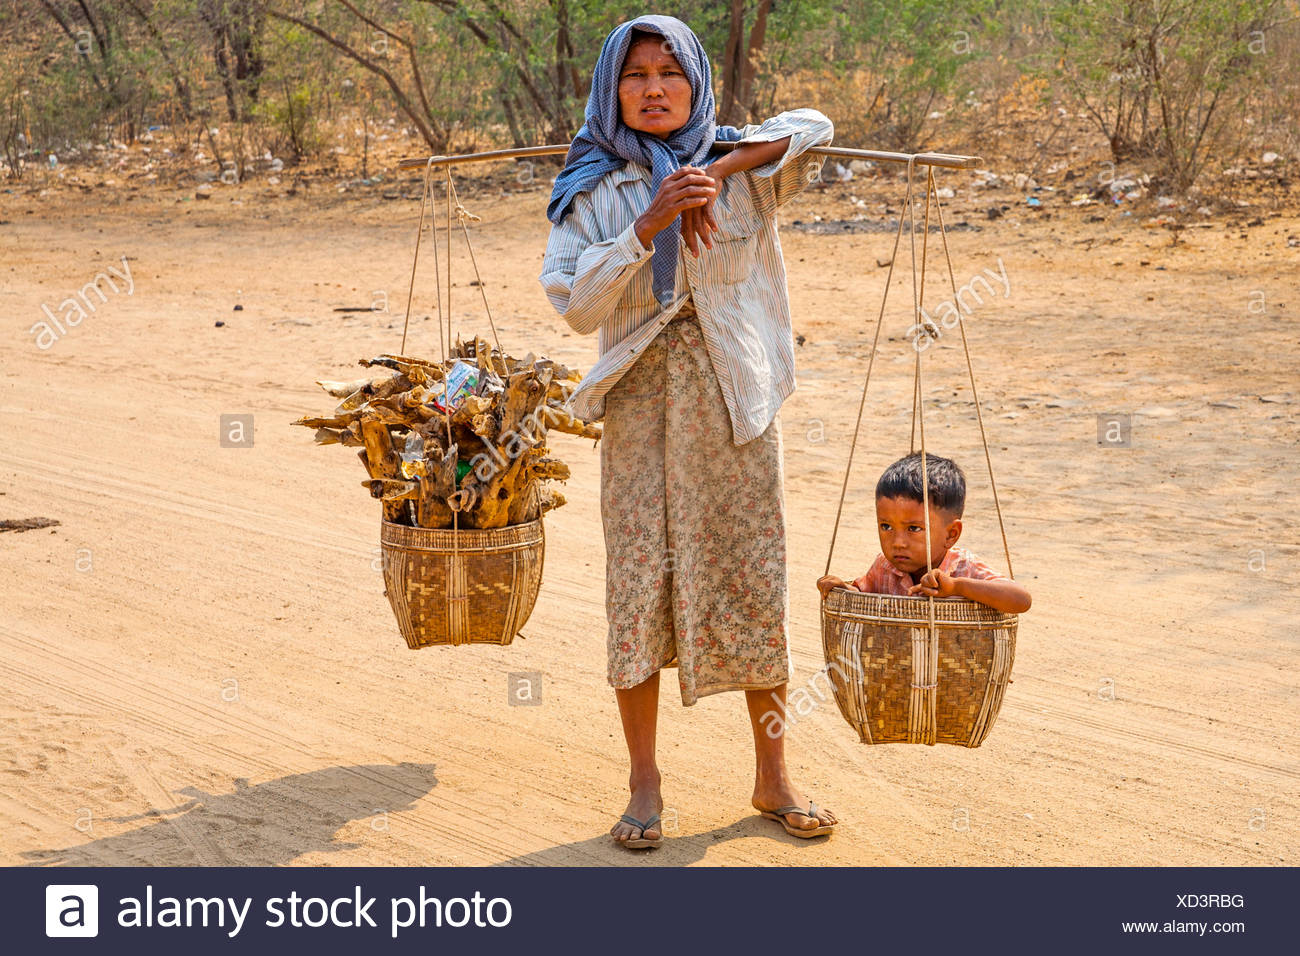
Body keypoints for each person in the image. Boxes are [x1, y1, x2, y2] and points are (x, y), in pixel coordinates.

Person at [539, 14, 837, 848]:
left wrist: (722, 164)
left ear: (697, 81)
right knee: (638, 584)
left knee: (751, 574)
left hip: (735, 405)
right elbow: (572, 302)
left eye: (671, 72)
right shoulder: (592, 186)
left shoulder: (750, 167)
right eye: (636, 76)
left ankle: (773, 776)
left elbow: (816, 126)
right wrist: (650, 223)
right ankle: (644, 784)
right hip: (640, 406)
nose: (655, 89)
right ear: (611, 89)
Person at [817, 452, 1032, 614]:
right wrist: (842, 589)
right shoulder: (884, 567)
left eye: (913, 529)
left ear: (951, 534)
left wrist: (958, 587)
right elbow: (862, 597)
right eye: (886, 527)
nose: (898, 542)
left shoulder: (962, 567)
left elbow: (1021, 600)